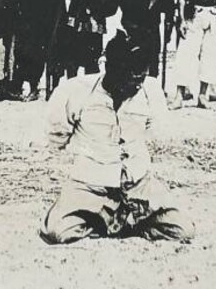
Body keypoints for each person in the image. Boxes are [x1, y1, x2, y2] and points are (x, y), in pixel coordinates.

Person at [42, 33, 193, 244]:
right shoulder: (76, 90)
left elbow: (154, 131)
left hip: (138, 184)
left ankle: (123, 222)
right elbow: (56, 136)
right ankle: (107, 220)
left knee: (181, 229)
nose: (138, 85)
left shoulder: (150, 90)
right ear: (112, 70)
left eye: (141, 78)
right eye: (132, 79)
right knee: (58, 232)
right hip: (91, 185)